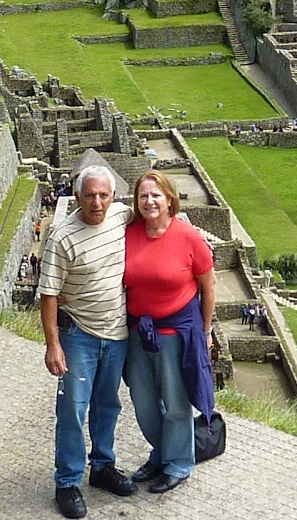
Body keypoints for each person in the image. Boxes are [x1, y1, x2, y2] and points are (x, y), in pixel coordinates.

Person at [39, 166, 136, 519]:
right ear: (77, 197)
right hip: (79, 334)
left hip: (118, 334)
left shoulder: (122, 216)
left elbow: (163, 216)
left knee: (108, 405)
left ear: (113, 196)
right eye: (90, 195)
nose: (97, 202)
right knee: (72, 411)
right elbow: (48, 295)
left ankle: (102, 467)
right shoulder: (62, 237)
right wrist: (53, 345)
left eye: (104, 195)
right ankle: (67, 481)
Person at [123, 170, 217, 495]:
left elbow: (209, 285)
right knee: (143, 401)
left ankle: (178, 462)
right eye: (143, 196)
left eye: (155, 195)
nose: (149, 201)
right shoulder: (130, 233)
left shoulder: (188, 237)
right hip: (139, 332)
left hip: (176, 333)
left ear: (169, 200)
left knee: (176, 403)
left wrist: (205, 330)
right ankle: (160, 452)